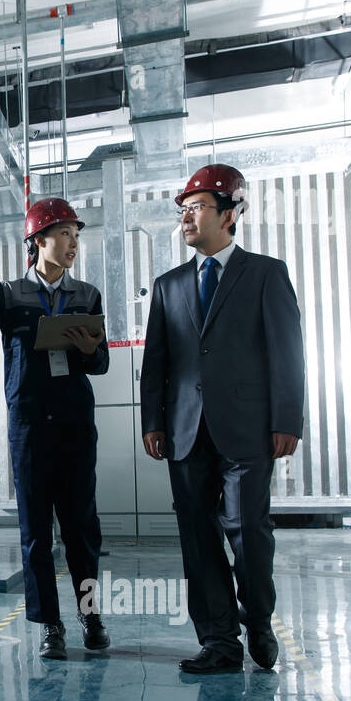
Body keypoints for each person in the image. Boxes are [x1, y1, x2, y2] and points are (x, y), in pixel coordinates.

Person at [139, 164, 305, 674]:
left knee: (247, 528)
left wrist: (288, 419)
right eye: (183, 211)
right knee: (197, 536)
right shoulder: (168, 286)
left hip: (249, 428)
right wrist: (153, 421)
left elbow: (287, 350)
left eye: (197, 208)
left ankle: (258, 621)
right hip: (186, 431)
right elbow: (158, 362)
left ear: (230, 214)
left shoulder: (265, 274)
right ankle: (219, 641)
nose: (186, 218)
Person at [0, 198, 110, 660]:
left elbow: (101, 363)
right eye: (64, 233)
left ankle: (90, 615)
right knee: (34, 533)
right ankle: (50, 624)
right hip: (29, 428)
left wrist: (88, 348)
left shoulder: (87, 295)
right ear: (38, 241)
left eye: (76, 234)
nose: (72, 242)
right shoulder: (9, 294)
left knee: (82, 530)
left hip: (74, 425)